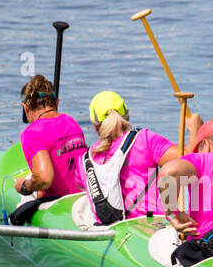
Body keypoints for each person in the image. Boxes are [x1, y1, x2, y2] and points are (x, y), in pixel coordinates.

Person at [77, 90, 180, 223]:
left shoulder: (85, 160)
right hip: (152, 224)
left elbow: (81, 186)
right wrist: (194, 130)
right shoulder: (144, 140)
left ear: (96, 127)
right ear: (127, 117)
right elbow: (187, 161)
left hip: (112, 229)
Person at [157, 116, 213, 238]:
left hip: (206, 247)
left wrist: (172, 214)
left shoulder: (202, 160)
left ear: (205, 145)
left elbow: (168, 173)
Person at [14, 74, 87, 205]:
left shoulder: (31, 133)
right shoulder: (71, 122)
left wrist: (25, 186)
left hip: (57, 206)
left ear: (25, 108)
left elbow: (44, 178)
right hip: (84, 199)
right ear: (56, 103)